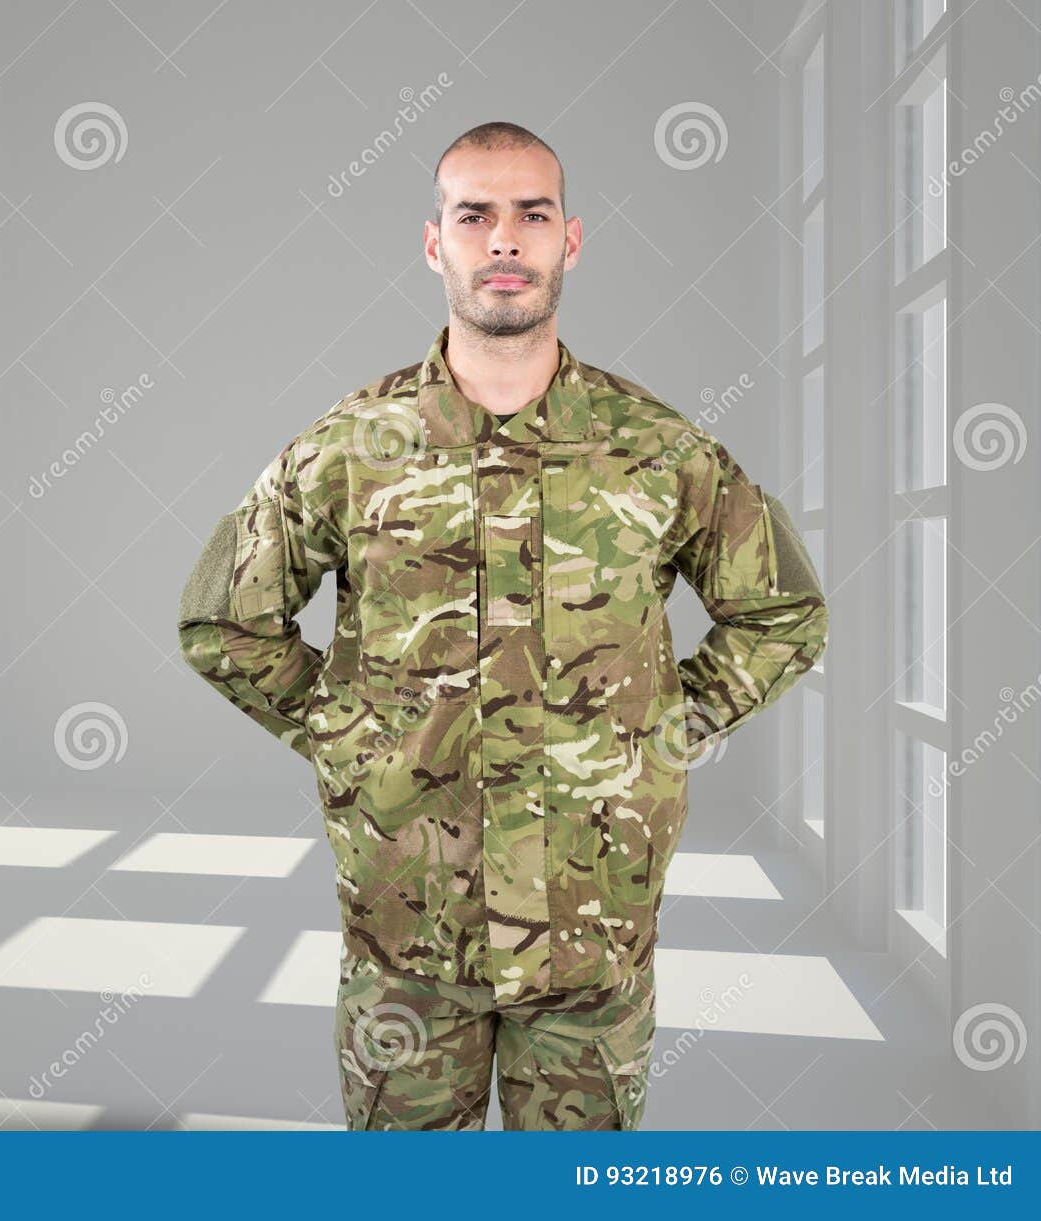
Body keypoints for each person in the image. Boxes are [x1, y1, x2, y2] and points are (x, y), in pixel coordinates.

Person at [175, 121, 828, 1130]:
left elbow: (780, 613)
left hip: (593, 943)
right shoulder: (349, 449)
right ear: (434, 243)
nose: (504, 241)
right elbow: (226, 624)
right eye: (474, 215)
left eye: (530, 215)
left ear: (572, 240)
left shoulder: (659, 451)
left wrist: (662, 730)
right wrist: (351, 741)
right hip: (408, 945)